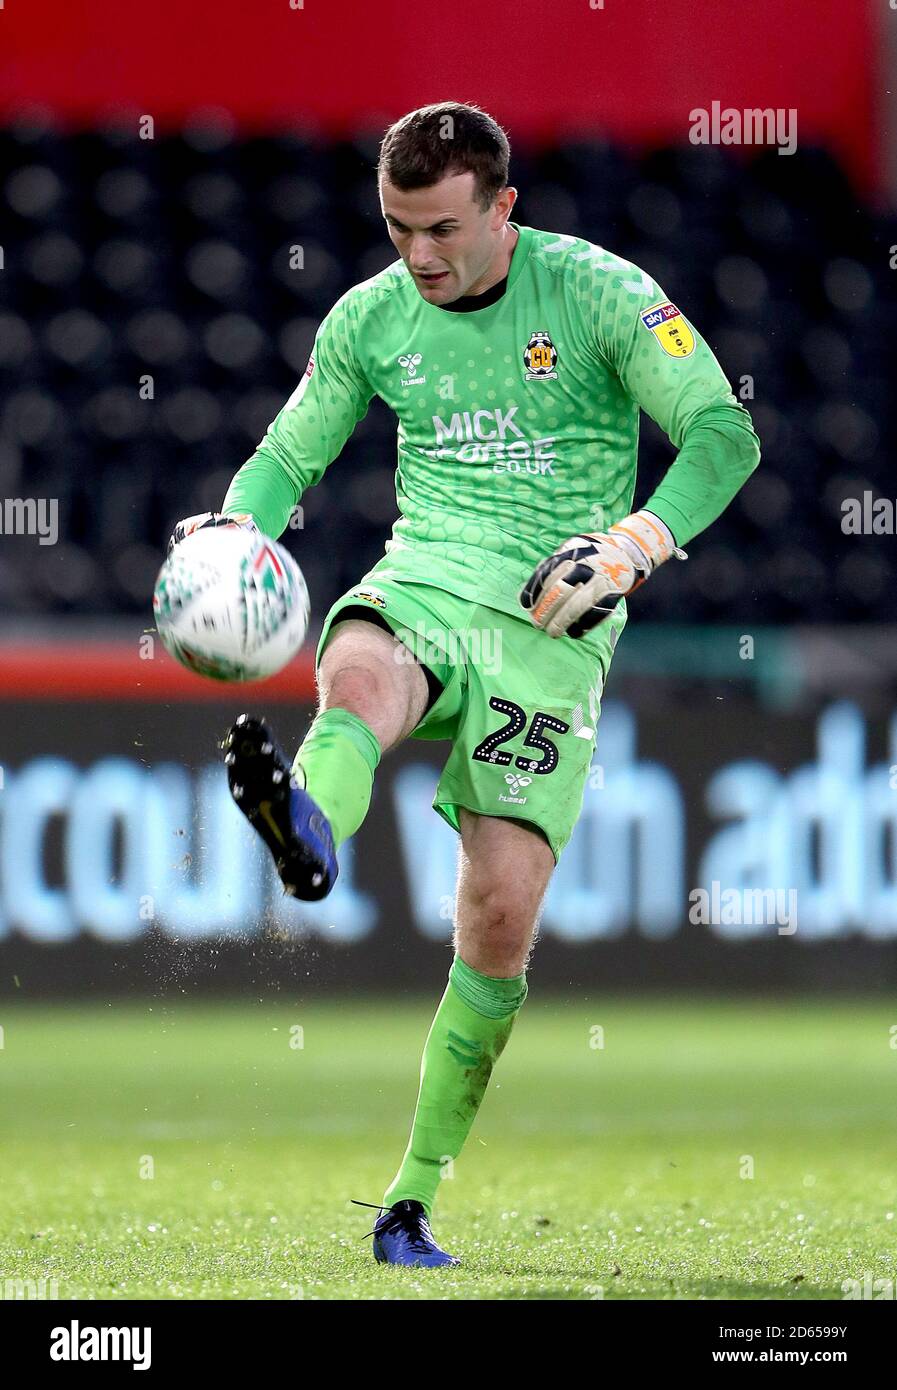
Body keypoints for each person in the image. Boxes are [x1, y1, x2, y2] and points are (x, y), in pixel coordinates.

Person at [169, 100, 760, 1267]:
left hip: (551, 619)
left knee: (498, 919)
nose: (419, 256)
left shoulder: (597, 292)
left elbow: (721, 432)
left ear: (504, 208)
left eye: (441, 229)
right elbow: (294, 451)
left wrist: (635, 543)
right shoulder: (373, 318)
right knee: (357, 675)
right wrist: (243, 527)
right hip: (432, 576)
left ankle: (409, 1198)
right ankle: (309, 831)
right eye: (396, 229)